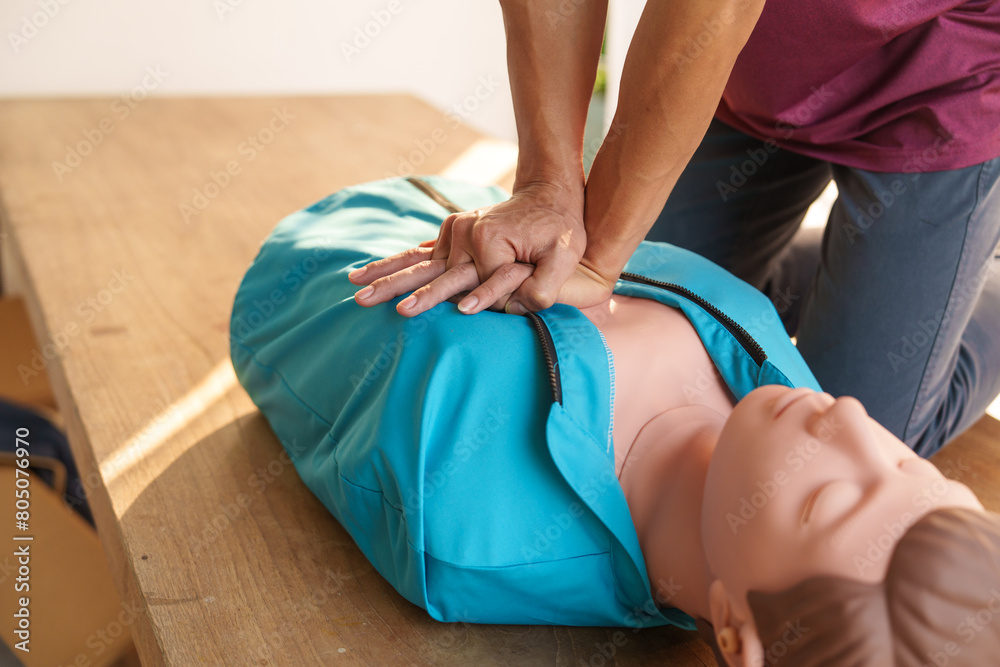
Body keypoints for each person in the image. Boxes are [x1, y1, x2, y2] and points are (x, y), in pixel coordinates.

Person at [231, 176, 1000, 664]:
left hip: (330, 231)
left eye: (827, 499)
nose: (855, 417)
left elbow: (298, 311)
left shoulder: (466, 512)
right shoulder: (781, 400)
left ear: (736, 632)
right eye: (907, 465)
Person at [349, 0, 1000, 458]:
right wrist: (547, 185)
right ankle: (836, 273)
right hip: (753, 68)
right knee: (663, 308)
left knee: (850, 436)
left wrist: (599, 256)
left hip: (942, 70)